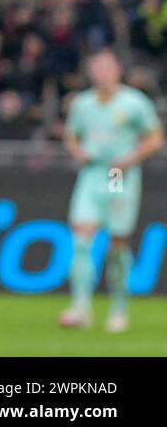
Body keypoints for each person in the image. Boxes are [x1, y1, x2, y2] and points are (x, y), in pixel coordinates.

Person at [58, 49, 163, 332]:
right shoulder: (82, 104)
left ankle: (119, 309)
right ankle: (81, 308)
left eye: (106, 67)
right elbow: (70, 136)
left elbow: (155, 138)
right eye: (96, 68)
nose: (101, 73)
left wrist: (130, 159)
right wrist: (78, 152)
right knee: (81, 239)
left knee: (117, 246)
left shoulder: (133, 103)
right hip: (92, 174)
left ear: (118, 70)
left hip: (120, 175)